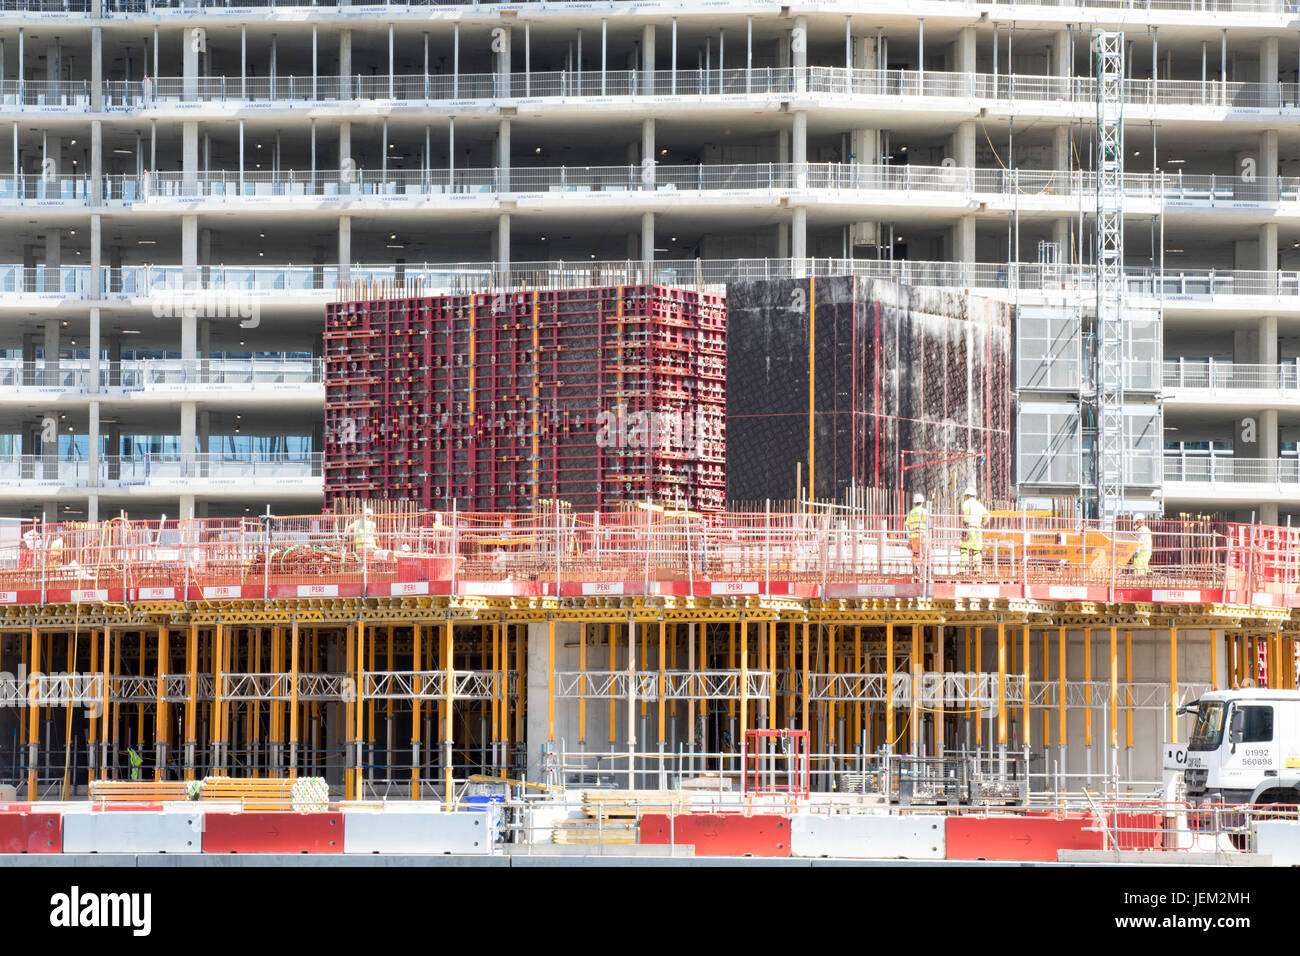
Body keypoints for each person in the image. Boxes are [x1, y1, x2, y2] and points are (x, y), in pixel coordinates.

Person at [959, 486, 989, 572]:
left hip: (968, 528)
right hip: (978, 529)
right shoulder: (979, 504)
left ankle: (962, 570)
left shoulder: (966, 503)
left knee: (964, 550)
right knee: (977, 551)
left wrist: (964, 522)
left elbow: (963, 512)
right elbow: (987, 515)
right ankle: (977, 570)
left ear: (967, 495)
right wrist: (982, 524)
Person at [905, 492, 928, 576]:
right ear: (922, 502)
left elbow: (906, 525)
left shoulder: (911, 512)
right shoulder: (925, 512)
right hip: (923, 536)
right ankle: (926, 571)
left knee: (915, 554)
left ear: (914, 502)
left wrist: (909, 538)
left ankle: (915, 571)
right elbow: (929, 524)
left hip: (914, 537)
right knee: (926, 554)